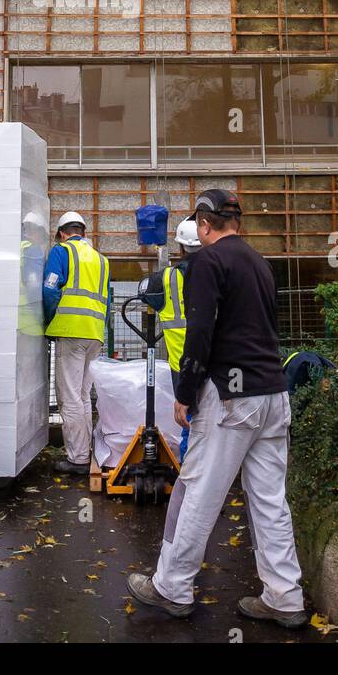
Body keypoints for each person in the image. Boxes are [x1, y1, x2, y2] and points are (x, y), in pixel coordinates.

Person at [127, 188, 306, 628]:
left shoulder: (207, 262)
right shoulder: (260, 264)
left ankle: (171, 587)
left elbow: (200, 334)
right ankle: (285, 597)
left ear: (205, 225)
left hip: (231, 397)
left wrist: (185, 395)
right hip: (272, 393)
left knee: (198, 493)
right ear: (237, 222)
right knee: (270, 501)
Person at [43, 210, 110, 475]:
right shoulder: (101, 259)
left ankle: (78, 458)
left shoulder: (62, 251)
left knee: (69, 397)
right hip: (94, 333)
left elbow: (50, 288)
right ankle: (84, 452)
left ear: (61, 233)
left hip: (70, 331)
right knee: (83, 396)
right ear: (84, 232)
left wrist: (49, 320)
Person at [156, 218, 200, 462]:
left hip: (180, 362)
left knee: (189, 420)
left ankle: (189, 472)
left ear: (181, 248)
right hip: (211, 359)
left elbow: (148, 293)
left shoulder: (165, 278)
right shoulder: (216, 271)